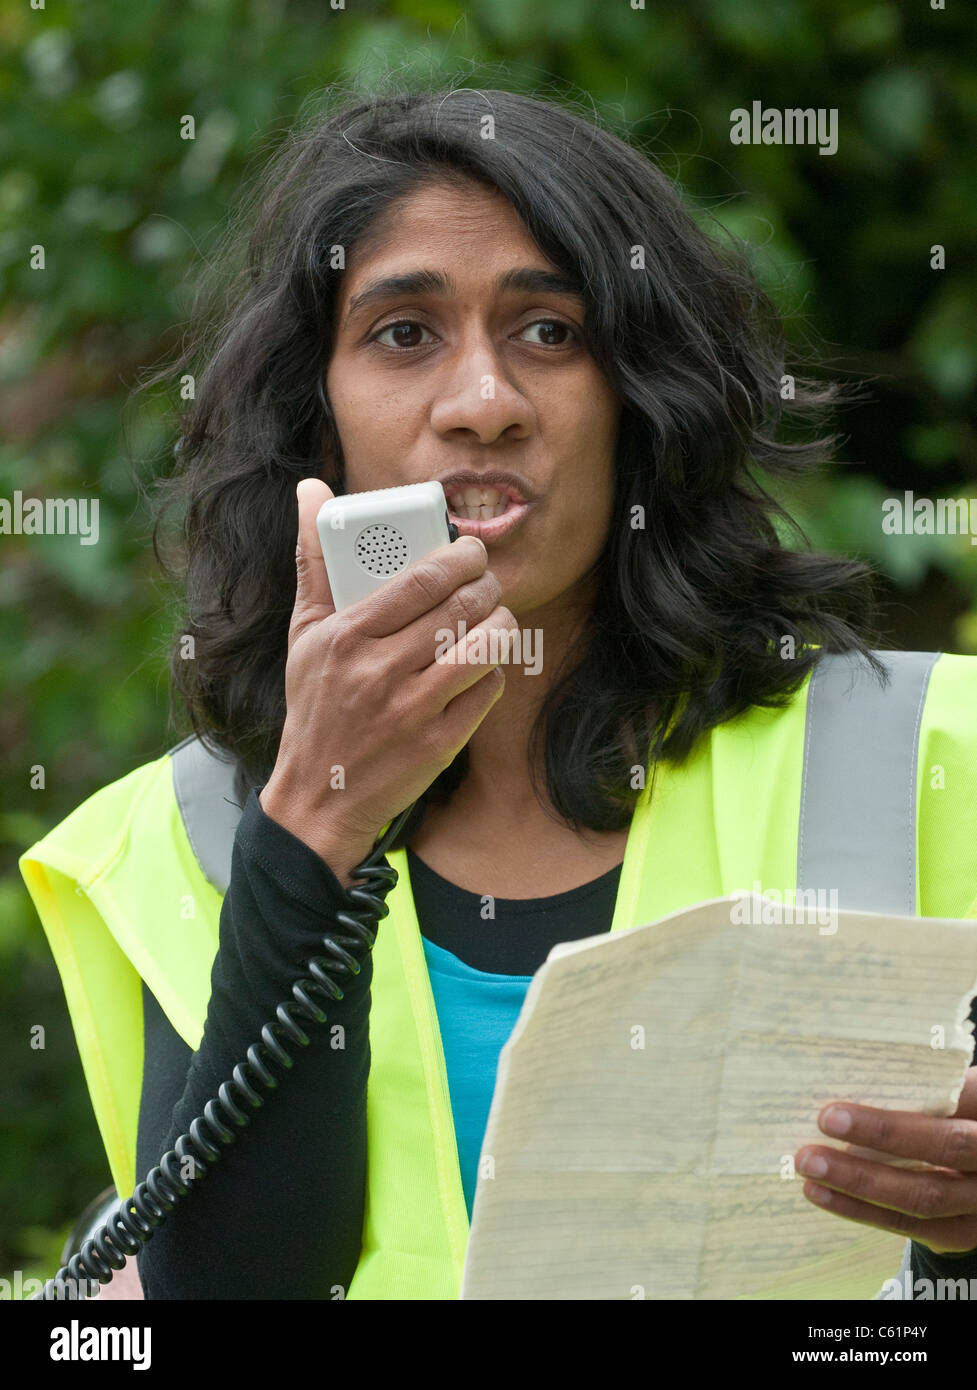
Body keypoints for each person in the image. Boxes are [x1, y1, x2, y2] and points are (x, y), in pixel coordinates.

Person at [20, 83, 977, 1302]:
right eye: (403, 334)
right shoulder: (181, 841)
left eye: (549, 331)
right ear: (317, 424)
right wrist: (313, 825)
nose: (483, 403)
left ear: (643, 398)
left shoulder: (925, 750)